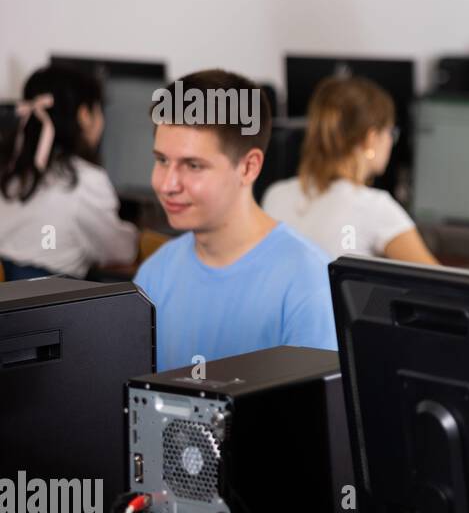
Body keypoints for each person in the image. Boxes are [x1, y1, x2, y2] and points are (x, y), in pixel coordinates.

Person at [134, 69, 337, 371]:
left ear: (248, 167)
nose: (167, 185)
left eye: (193, 165)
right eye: (162, 160)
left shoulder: (310, 282)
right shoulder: (153, 276)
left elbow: (315, 416)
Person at [262, 75, 437, 264]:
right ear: (371, 138)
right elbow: (443, 286)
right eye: (389, 132)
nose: (390, 142)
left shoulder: (275, 195)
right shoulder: (376, 207)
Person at [0, 64, 137, 279]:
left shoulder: (10, 169)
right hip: (52, 304)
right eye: (98, 109)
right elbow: (120, 251)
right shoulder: (85, 181)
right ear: (84, 115)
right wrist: (134, 234)